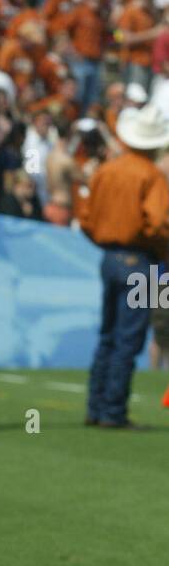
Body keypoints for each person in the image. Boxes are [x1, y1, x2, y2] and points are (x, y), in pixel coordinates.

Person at [80, 104, 169, 428]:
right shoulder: (150, 175)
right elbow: (158, 224)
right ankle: (113, 411)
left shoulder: (107, 170)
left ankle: (95, 405)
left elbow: (86, 218)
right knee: (128, 338)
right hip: (141, 261)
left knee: (108, 334)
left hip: (109, 258)